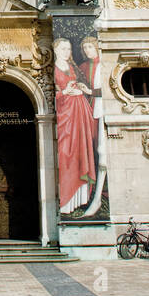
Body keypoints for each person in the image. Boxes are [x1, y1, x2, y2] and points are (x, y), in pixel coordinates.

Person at [54, 38, 97, 215]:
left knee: (81, 150)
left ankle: (80, 200)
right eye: (63, 49)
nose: (66, 52)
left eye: (69, 49)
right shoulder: (54, 68)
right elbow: (54, 93)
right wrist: (64, 92)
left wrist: (80, 89)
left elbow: (85, 86)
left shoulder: (73, 68)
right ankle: (65, 202)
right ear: (55, 50)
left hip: (78, 111)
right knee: (65, 154)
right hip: (64, 114)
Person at [78, 37, 107, 217]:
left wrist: (90, 91)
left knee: (100, 151)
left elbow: (109, 89)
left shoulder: (103, 64)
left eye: (90, 46)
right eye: (85, 47)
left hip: (99, 111)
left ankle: (99, 197)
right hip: (88, 112)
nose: (88, 50)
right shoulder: (82, 67)